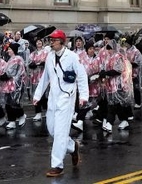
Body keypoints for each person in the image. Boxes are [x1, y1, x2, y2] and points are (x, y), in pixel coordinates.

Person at [34, 30, 87, 177]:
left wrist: (83, 96)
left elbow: (82, 77)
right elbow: (46, 77)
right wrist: (38, 95)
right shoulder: (50, 57)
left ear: (62, 42)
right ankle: (72, 147)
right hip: (53, 98)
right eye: (50, 40)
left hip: (67, 98)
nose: (51, 42)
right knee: (52, 130)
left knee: (60, 133)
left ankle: (57, 165)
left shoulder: (72, 57)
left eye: (54, 40)